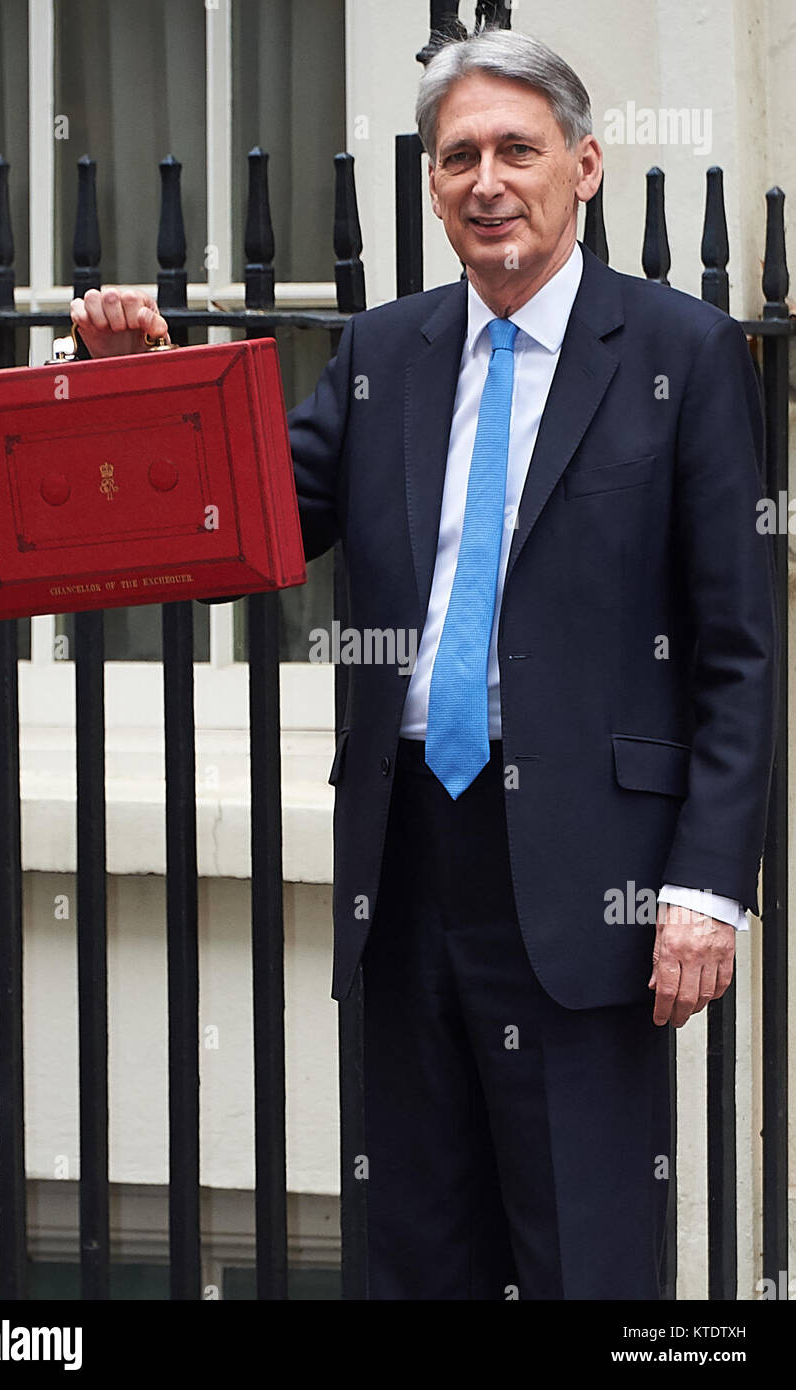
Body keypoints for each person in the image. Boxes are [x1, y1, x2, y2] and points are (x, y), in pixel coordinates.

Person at [71, 28, 777, 1300]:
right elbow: (241, 527)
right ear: (432, 184)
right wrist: (141, 396)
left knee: (586, 1259)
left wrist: (706, 889)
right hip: (403, 864)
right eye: (459, 156)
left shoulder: (680, 354)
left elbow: (736, 649)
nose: (487, 179)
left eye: (518, 148)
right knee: (411, 1254)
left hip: (589, 876)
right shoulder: (384, 354)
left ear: (587, 167)